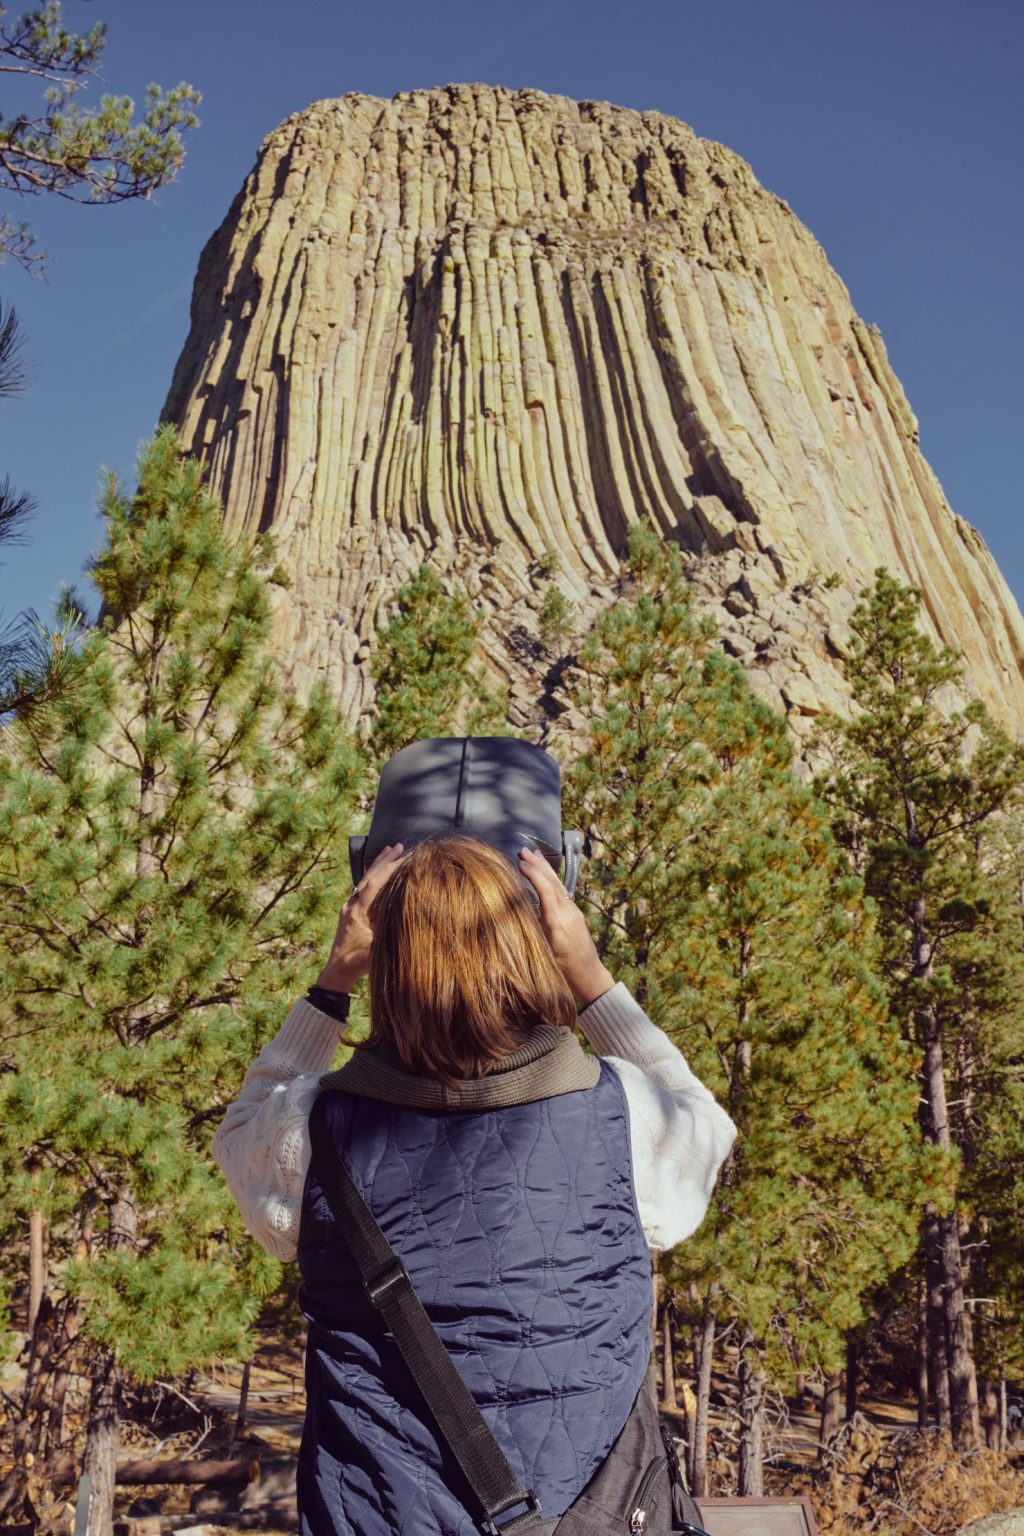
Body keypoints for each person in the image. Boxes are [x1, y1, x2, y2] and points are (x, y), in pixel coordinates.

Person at [213, 836, 737, 1535]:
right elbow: (701, 1120)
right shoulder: (623, 1114)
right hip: (592, 1517)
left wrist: (334, 978)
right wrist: (592, 980)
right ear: (532, 949)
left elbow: (242, 1129)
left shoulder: (312, 1127)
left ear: (388, 969)